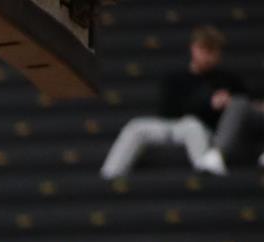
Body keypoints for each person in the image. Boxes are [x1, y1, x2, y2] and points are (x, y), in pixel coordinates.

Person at [101, 26, 255, 178]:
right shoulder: (176, 78)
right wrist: (208, 104)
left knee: (193, 126)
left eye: (212, 51)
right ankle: (109, 176)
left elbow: (243, 109)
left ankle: (207, 173)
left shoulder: (228, 81)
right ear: (193, 48)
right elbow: (167, 111)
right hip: (173, 126)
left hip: (205, 130)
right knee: (136, 127)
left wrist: (226, 103)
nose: (207, 56)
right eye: (203, 49)